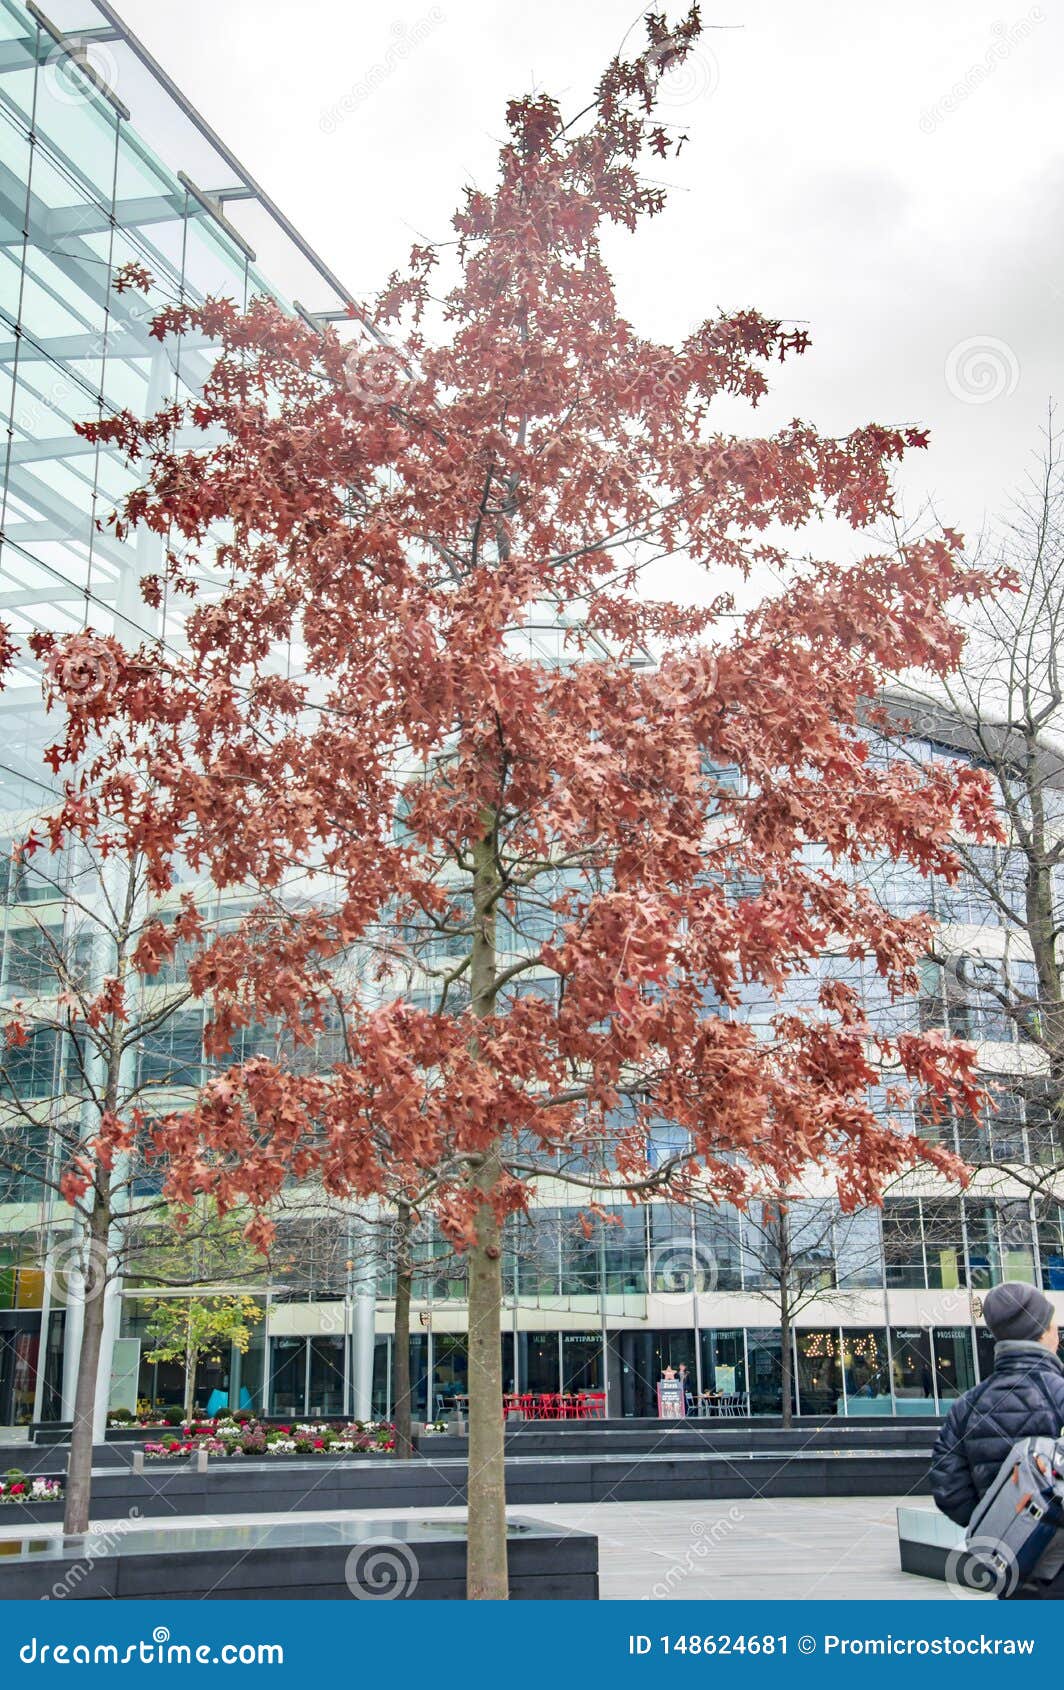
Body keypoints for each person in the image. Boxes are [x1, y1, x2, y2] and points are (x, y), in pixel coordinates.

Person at [930, 1281, 1064, 1599]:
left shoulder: (967, 1406)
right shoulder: (1059, 1394)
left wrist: (1006, 1523)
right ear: (1043, 1333)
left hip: (1012, 1571)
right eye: (1054, 1324)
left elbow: (947, 1488)